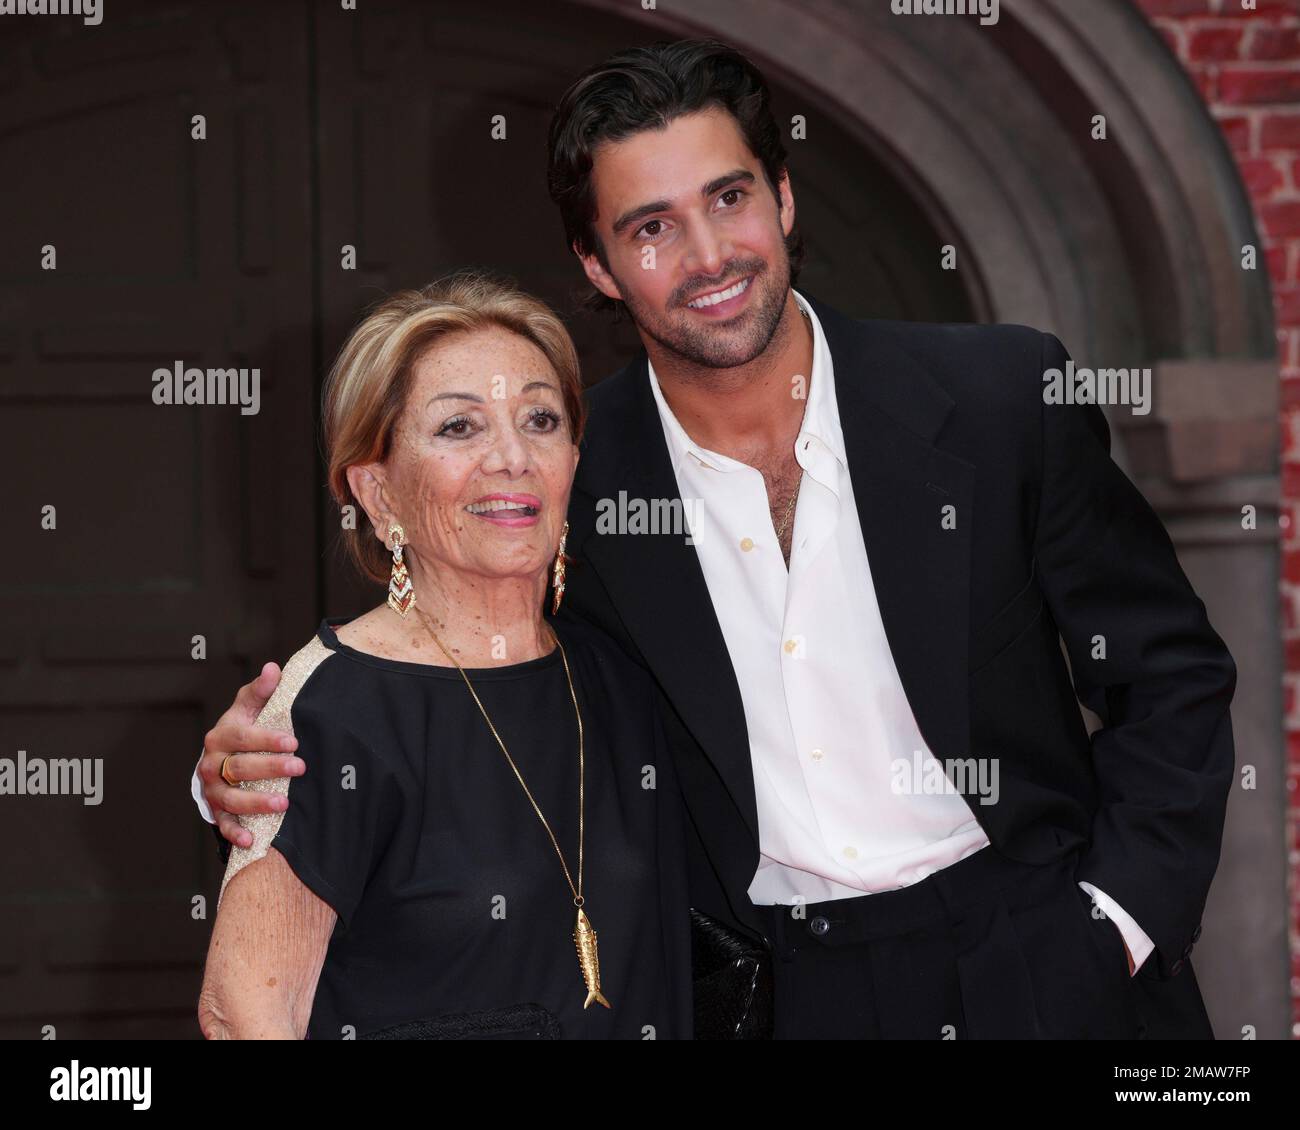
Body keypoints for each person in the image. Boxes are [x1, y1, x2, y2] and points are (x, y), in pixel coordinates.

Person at [197, 39, 1236, 1039]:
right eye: (649, 227)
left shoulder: (999, 397)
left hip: (1042, 947)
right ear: (598, 265)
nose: (707, 257)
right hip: (782, 993)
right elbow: (459, 666)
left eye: (728, 198)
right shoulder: (568, 478)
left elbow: (1169, 673)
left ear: (781, 197)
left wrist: (1115, 923)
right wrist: (250, 767)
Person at [197, 272, 692, 1040]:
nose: (512, 456)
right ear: (379, 491)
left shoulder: (621, 675)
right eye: (460, 427)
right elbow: (245, 1015)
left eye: (540, 418)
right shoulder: (338, 705)